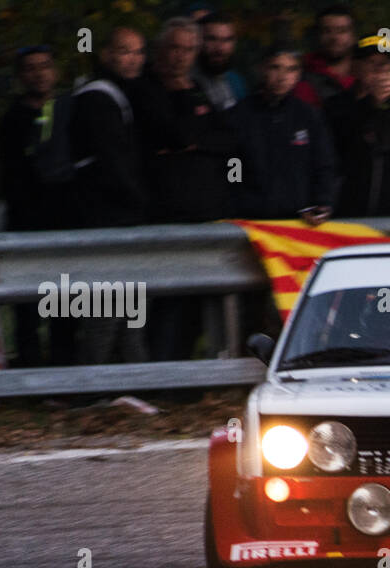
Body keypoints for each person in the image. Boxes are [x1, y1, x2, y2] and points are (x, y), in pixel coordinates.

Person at [142, 18, 238, 361]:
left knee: (197, 304)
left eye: (189, 49)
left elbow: (227, 138)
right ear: (160, 50)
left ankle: (191, 374)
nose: (182, 56)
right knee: (166, 302)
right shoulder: (147, 89)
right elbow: (180, 135)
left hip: (206, 214)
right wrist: (192, 136)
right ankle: (162, 373)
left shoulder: (196, 88)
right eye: (176, 48)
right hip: (166, 215)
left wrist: (195, 142)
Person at [70, 26, 149, 364]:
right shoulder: (99, 98)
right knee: (105, 311)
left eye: (138, 51)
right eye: (124, 51)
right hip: (107, 220)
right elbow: (113, 164)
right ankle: (95, 387)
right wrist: (142, 204)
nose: (132, 59)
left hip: (115, 219)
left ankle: (126, 383)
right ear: (106, 54)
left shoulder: (115, 94)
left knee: (126, 309)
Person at [0, 45, 79, 367]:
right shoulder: (12, 122)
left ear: (55, 71)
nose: (39, 73)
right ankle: (29, 372)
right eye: (31, 68)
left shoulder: (70, 112)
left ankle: (63, 371)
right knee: (28, 305)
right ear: (20, 76)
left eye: (45, 66)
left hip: (66, 223)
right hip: (26, 224)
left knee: (65, 304)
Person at [228, 49, 337, 223]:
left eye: (291, 69)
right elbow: (232, 163)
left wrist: (323, 203)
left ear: (299, 74)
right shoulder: (239, 116)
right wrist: (239, 201)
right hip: (251, 219)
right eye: (275, 68)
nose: (282, 76)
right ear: (262, 69)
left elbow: (323, 164)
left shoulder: (309, 116)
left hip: (300, 220)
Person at [328, 35, 390, 217]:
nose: (379, 70)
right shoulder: (337, 105)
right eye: (372, 62)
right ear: (355, 67)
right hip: (348, 210)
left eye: (385, 64)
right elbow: (342, 144)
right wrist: (372, 104)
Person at [295, 4, 358, 106]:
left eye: (342, 31)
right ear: (318, 35)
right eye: (327, 31)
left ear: (353, 36)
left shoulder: (366, 74)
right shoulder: (299, 73)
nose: (334, 37)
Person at [192, 12, 247, 110]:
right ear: (197, 40)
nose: (220, 48)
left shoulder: (236, 82)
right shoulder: (184, 81)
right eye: (212, 39)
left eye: (227, 40)